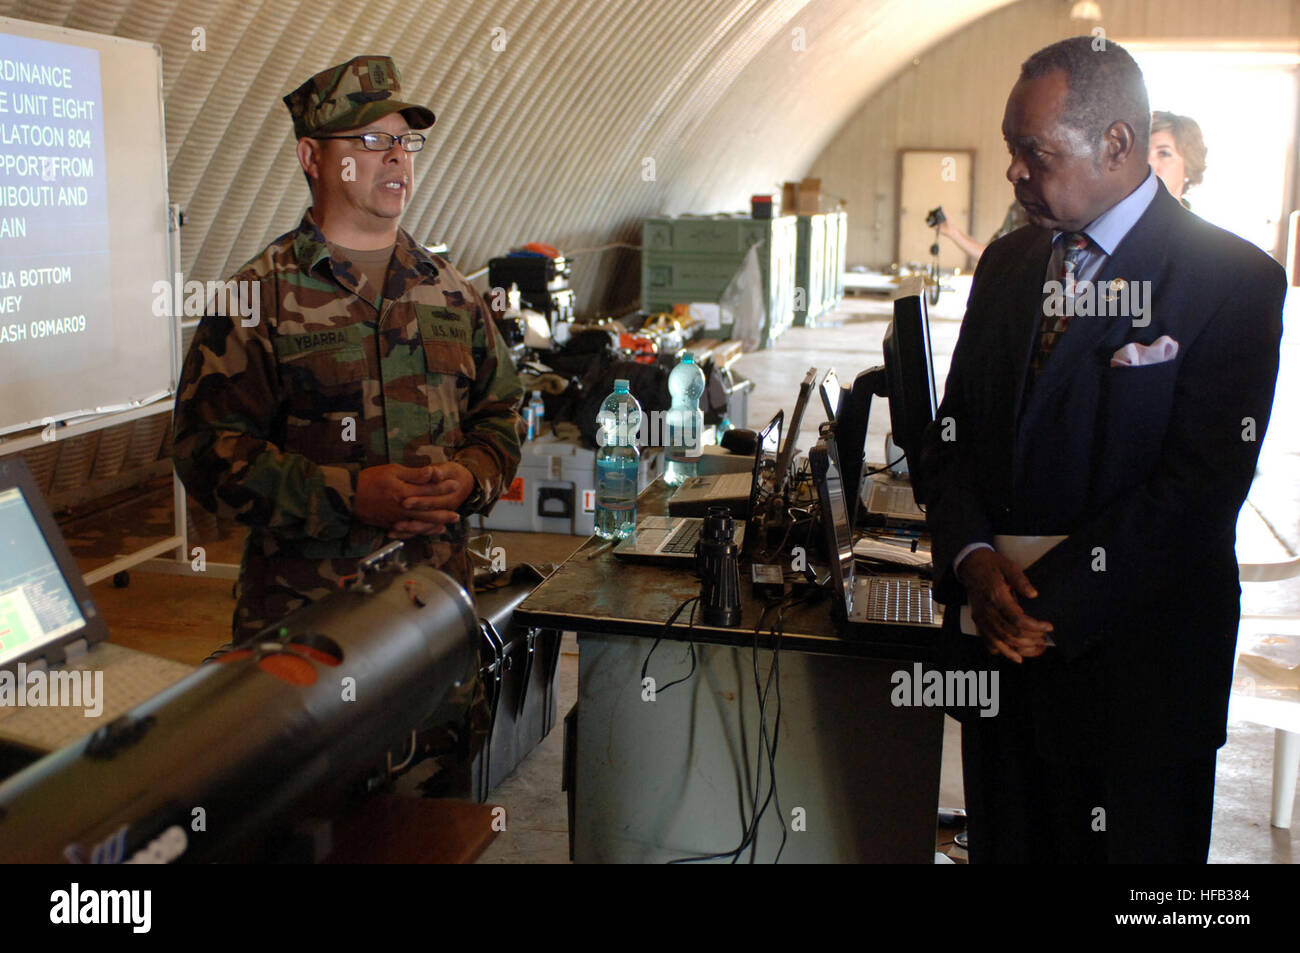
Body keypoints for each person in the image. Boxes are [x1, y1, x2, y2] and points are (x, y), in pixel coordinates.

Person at [920, 37, 1285, 863]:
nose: (1013, 173)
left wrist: (1041, 608)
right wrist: (974, 560)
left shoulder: (1231, 281)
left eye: (1033, 154)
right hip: (1001, 670)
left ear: (1117, 144)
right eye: (1012, 150)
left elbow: (1197, 491)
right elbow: (955, 438)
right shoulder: (1010, 265)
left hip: (1138, 686)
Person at [173, 55, 523, 643]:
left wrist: (470, 478)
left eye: (406, 141)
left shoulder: (451, 293)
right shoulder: (259, 295)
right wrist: (349, 497)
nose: (397, 157)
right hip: (308, 623)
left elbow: (500, 415)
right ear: (312, 158)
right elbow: (206, 453)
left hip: (438, 609)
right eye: (370, 139)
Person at [937, 201, 1030, 263]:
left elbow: (992, 256)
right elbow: (989, 252)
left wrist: (953, 232)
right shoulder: (1019, 205)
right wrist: (953, 231)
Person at [1149, 110, 1207, 208]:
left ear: (1189, 166)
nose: (1149, 162)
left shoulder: (1193, 223)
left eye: (1164, 153)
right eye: (1143, 152)